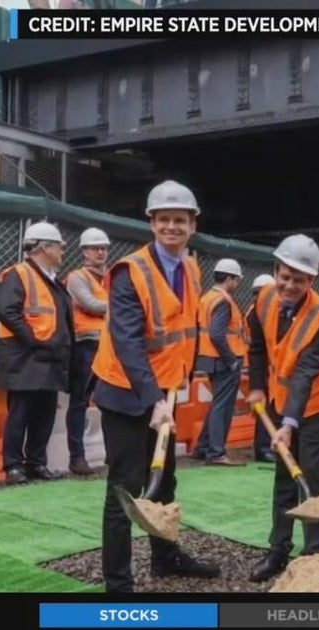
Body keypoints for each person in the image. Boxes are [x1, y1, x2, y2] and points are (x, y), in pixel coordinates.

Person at [91, 180, 220, 592]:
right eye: (163, 219)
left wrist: (180, 384)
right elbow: (128, 342)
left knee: (163, 480)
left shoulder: (190, 267)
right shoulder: (130, 272)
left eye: (179, 220)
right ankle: (118, 583)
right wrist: (154, 401)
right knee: (125, 488)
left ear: (193, 225)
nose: (171, 227)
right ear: (151, 223)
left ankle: (165, 558)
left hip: (165, 390)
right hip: (126, 394)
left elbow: (183, 328)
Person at [246, 234, 319, 582]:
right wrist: (257, 386)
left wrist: (289, 424)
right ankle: (278, 549)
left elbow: (305, 372)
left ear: (311, 280)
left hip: (316, 404)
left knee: (311, 476)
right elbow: (257, 346)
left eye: (298, 280)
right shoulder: (263, 299)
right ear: (276, 271)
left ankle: (313, 552)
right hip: (278, 398)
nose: (289, 285)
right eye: (284, 277)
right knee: (284, 477)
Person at [0, 221, 72, 485]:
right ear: (45, 247)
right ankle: (14, 466)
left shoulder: (52, 280)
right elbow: (6, 311)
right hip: (25, 357)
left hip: (47, 357)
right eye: (59, 246)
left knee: (44, 413)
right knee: (21, 412)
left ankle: (36, 463)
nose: (62, 251)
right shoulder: (20, 274)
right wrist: (34, 340)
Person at [63, 227, 110, 476]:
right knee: (80, 401)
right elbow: (90, 305)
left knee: (111, 400)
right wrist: (121, 305)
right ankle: (77, 458)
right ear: (84, 251)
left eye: (103, 248)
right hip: (85, 344)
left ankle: (113, 454)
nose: (100, 252)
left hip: (108, 345)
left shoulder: (109, 277)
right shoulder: (77, 277)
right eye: (95, 248)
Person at [193, 258, 246, 466]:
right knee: (222, 407)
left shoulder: (207, 298)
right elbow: (217, 334)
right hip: (224, 361)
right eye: (237, 279)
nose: (238, 284)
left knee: (217, 404)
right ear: (230, 278)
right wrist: (232, 361)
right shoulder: (223, 301)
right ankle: (216, 452)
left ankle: (203, 448)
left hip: (210, 359)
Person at [246, 273, 277, 464]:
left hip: (262, 367)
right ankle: (264, 447)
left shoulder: (255, 310)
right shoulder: (259, 312)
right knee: (266, 408)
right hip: (263, 368)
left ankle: (265, 446)